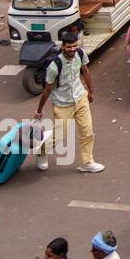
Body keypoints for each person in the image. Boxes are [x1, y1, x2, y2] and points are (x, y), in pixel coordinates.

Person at [34, 30, 104, 173]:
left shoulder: (80, 54)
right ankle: (41, 152)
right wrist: (39, 110)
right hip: (62, 105)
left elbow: (85, 71)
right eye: (69, 47)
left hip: (80, 98)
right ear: (62, 47)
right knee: (58, 137)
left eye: (74, 46)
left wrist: (90, 91)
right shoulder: (54, 65)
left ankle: (87, 162)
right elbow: (47, 90)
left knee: (87, 132)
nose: (72, 49)